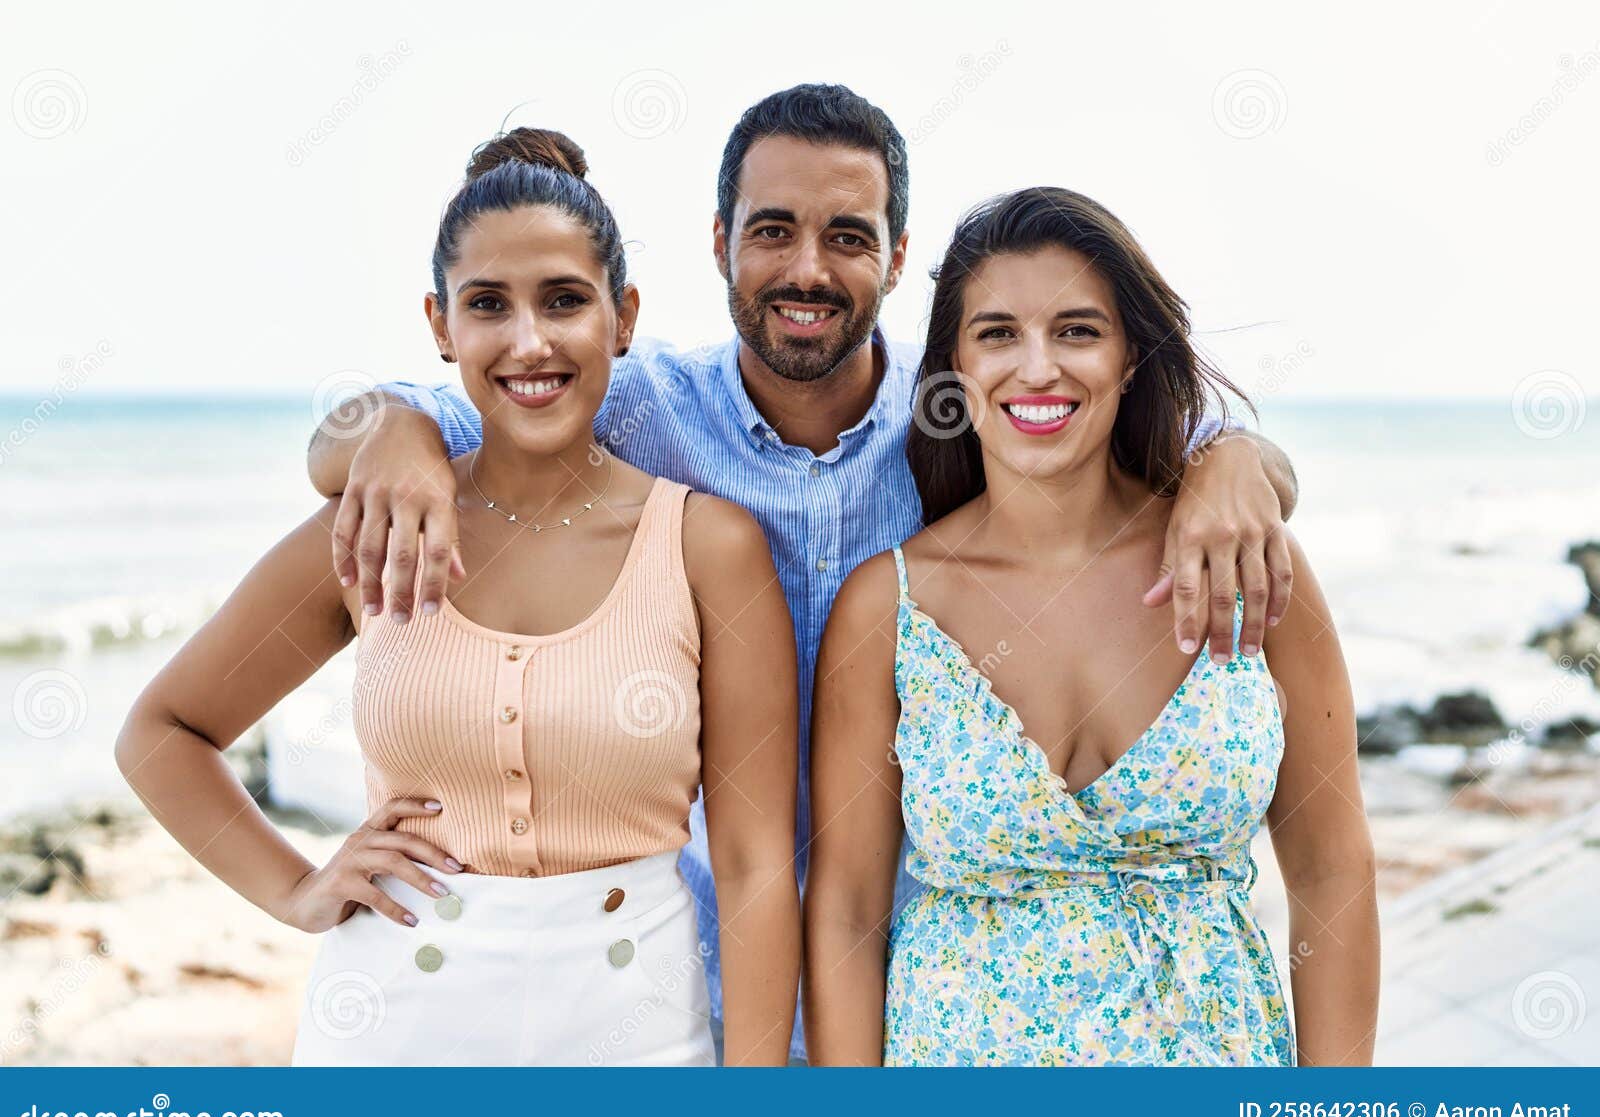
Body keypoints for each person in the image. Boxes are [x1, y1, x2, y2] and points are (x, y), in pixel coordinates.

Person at [304, 85, 1300, 1059]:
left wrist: (1235, 460)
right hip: (672, 984)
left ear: (899, 257)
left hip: (927, 994)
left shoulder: (965, 407)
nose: (807, 268)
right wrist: (394, 422)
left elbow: (1172, 435)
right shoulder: (635, 407)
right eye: (773, 230)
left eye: (849, 236)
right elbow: (368, 433)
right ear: (719, 243)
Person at [115, 128, 801, 1066]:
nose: (529, 342)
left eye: (565, 300)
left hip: (636, 1034)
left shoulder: (707, 547)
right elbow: (163, 731)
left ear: (623, 315)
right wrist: (299, 886)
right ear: (441, 326)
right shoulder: (367, 531)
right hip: (393, 1028)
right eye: (488, 304)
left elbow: (759, 866)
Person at [804, 187, 1379, 1066]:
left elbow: (1332, 870)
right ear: (954, 366)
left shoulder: (1251, 569)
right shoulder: (890, 606)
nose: (1037, 368)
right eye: (998, 333)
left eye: (1077, 330)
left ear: (1131, 359)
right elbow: (847, 905)